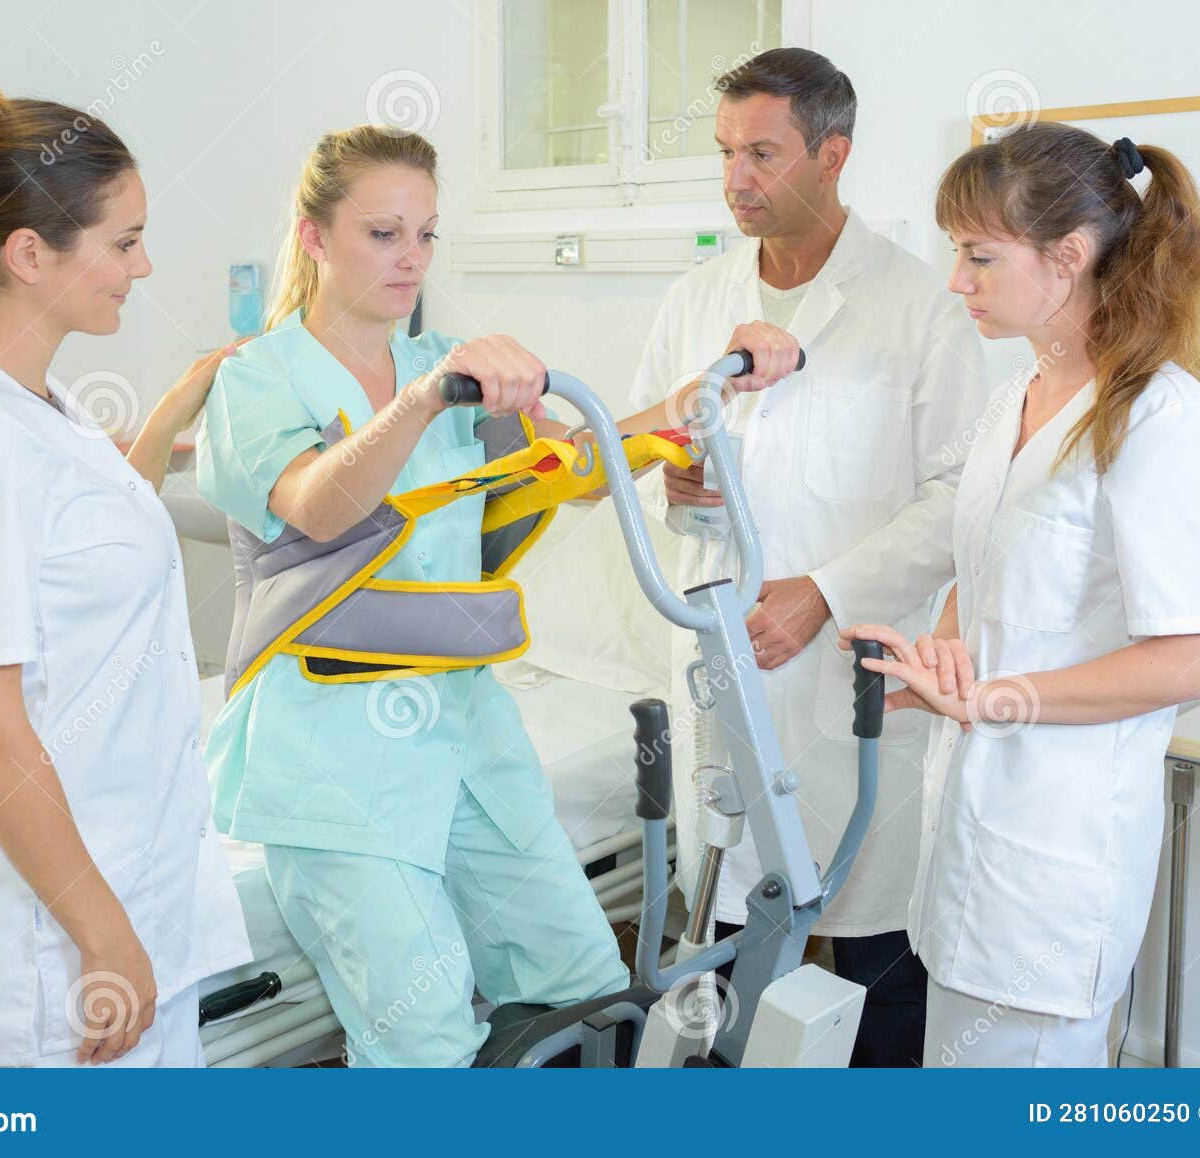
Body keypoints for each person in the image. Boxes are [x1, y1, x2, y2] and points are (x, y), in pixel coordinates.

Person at [196, 124, 797, 1067]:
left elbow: (585, 463)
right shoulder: (256, 378)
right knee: (424, 1046)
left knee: (586, 984)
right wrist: (427, 401)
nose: (412, 258)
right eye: (384, 234)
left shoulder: (438, 359)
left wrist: (702, 388)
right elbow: (317, 508)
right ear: (314, 237)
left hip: (465, 724)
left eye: (427, 235)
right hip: (331, 756)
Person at [0, 85, 250, 1067]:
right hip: (47, 955)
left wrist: (165, 417)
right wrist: (103, 934)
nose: (143, 265)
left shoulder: (31, 399)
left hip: (114, 895)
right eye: (123, 242)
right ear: (31, 253)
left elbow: (86, 545)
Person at [842, 122, 1200, 1067]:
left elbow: (1198, 655)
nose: (956, 281)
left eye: (979, 257)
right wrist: (941, 651)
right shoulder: (1017, 395)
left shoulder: (1157, 413)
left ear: (1067, 258)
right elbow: (978, 573)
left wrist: (990, 700)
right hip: (967, 838)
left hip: (1054, 858)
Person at [628, 47, 986, 1066]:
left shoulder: (920, 307)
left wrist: (824, 593)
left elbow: (960, 495)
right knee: (738, 943)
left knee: (878, 953)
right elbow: (644, 461)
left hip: (849, 673)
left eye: (763, 154)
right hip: (727, 672)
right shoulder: (693, 301)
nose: (736, 178)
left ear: (832, 155)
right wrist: (675, 484)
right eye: (725, 153)